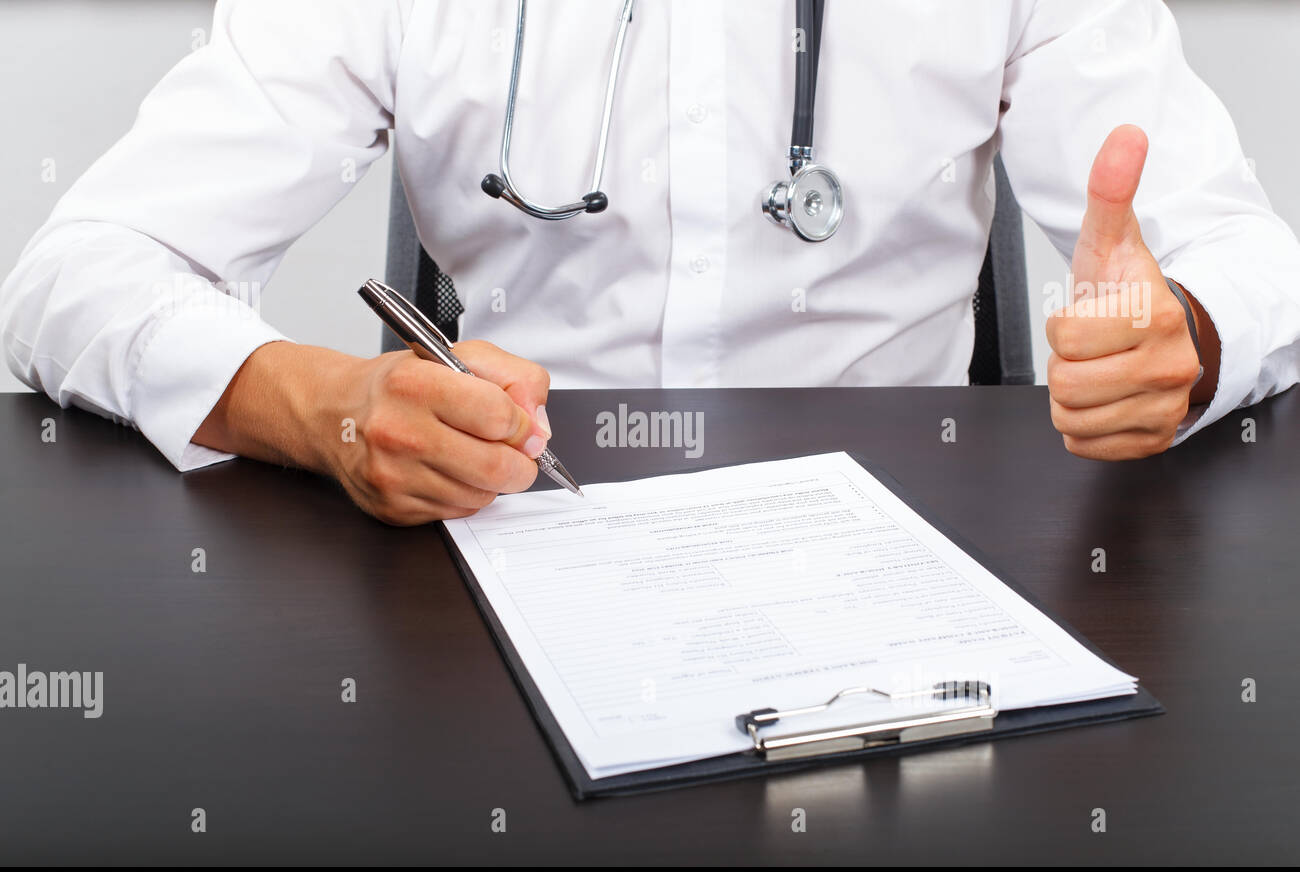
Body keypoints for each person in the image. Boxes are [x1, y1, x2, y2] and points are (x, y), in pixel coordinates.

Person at [3, 0, 1298, 525]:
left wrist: (1180, 335)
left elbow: (1249, 261)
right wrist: (326, 406)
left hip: (906, 560)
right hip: (506, 556)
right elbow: (78, 273)